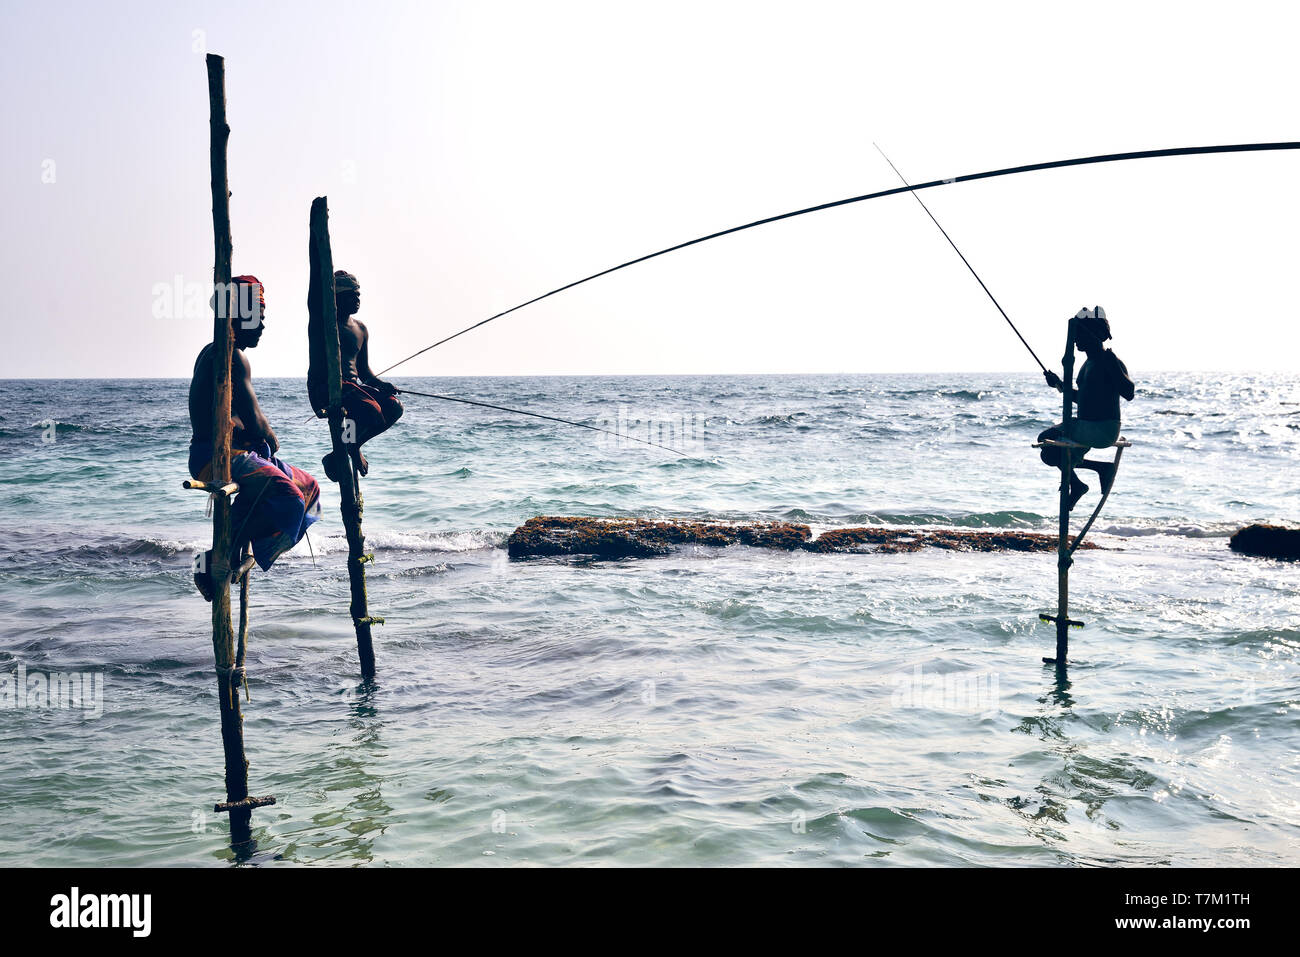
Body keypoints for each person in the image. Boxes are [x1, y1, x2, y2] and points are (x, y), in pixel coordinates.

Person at [188, 275, 321, 599]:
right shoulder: (228, 355)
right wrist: (268, 438)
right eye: (258, 318)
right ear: (239, 316)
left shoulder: (225, 353)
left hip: (239, 455)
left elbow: (238, 418)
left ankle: (240, 548)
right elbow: (256, 421)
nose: (262, 326)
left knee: (310, 489)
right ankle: (217, 555)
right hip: (215, 457)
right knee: (288, 496)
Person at [307, 266, 403, 482]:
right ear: (336, 298)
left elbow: (364, 372)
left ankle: (349, 447)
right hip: (326, 388)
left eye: (358, 295)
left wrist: (382, 384)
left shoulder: (361, 329)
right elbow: (314, 297)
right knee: (371, 410)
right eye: (351, 296)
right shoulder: (322, 323)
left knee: (393, 406)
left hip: (354, 390)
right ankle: (350, 448)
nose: (357, 299)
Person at [1038, 306, 1135, 510]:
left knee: (1044, 438)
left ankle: (1080, 483)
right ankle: (1097, 472)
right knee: (1049, 454)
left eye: (1080, 335)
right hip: (1087, 427)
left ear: (1093, 335)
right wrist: (1058, 384)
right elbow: (1083, 400)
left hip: (1102, 429)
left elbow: (1129, 392)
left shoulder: (1108, 360)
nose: (1075, 340)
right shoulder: (1088, 363)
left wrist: (1112, 366)